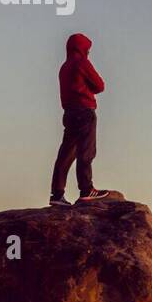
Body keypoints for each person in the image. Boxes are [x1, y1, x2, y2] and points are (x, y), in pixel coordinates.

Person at [49, 33, 110, 206]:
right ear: (81, 48)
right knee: (86, 151)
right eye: (87, 49)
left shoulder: (64, 67)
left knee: (66, 154)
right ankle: (86, 189)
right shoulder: (82, 63)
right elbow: (100, 85)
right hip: (84, 111)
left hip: (69, 113)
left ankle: (57, 195)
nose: (88, 52)